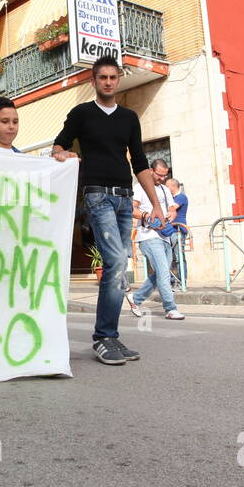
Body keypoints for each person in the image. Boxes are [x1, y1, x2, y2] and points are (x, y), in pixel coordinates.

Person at [51, 55, 166, 366]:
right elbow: (58, 146)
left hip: (124, 198)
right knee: (115, 261)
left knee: (119, 266)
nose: (108, 82)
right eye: (102, 77)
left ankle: (110, 336)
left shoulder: (129, 118)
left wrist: (156, 203)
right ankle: (103, 337)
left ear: (118, 80)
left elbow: (140, 162)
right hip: (97, 196)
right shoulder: (81, 113)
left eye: (113, 77)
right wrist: (63, 155)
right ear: (94, 81)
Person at [127, 182, 185, 320]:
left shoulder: (165, 189)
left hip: (165, 236)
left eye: (165, 175)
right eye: (159, 175)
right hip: (148, 236)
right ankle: (171, 309)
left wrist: (172, 214)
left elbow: (172, 209)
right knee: (164, 273)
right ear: (151, 171)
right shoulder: (140, 187)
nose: (162, 178)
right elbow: (132, 209)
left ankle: (135, 298)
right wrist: (147, 216)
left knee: (161, 272)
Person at [157, 176, 189, 282]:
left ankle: (182, 281)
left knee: (179, 256)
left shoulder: (181, 197)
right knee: (169, 257)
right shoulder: (171, 198)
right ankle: (171, 279)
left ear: (173, 186)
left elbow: (170, 209)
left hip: (178, 230)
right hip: (170, 230)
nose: (165, 189)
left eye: (167, 187)